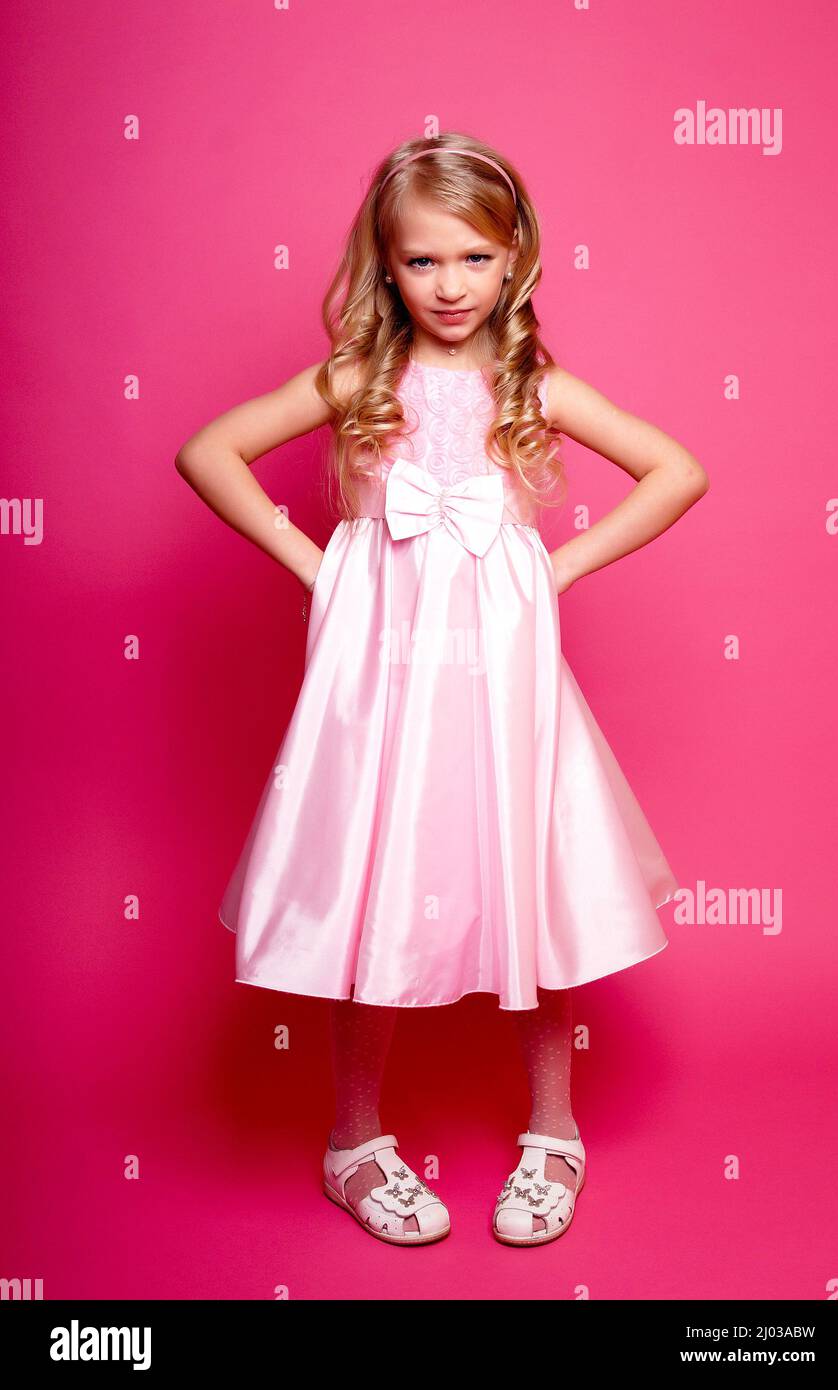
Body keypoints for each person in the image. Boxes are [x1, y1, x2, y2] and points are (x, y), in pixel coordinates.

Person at [175, 133, 709, 1249]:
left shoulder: (536, 386)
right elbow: (211, 450)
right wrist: (323, 567)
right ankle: (355, 1142)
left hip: (504, 685)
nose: (450, 285)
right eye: (421, 263)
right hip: (386, 690)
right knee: (380, 883)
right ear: (385, 268)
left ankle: (551, 1132)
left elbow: (678, 470)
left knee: (535, 888)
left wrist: (552, 565)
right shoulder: (359, 378)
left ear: (513, 260)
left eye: (472, 257)